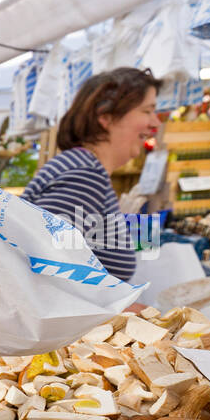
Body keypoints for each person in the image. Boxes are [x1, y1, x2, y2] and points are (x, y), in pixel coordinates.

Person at [21, 67, 162, 282]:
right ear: (106, 118)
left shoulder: (83, 169)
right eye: (147, 111)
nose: (156, 123)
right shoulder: (84, 175)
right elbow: (43, 272)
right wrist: (121, 308)